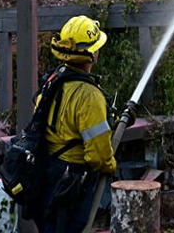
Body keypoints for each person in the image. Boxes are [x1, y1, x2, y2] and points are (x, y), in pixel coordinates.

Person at [32, 15, 117, 233]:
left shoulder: (52, 81)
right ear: (92, 54)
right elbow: (98, 155)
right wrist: (111, 166)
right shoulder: (89, 96)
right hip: (70, 182)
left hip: (45, 173)